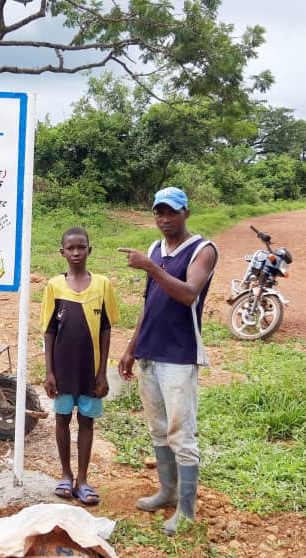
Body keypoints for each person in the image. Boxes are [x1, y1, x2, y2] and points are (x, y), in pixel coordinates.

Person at [117, 186, 218, 536]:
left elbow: (188, 294)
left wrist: (150, 267)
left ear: (186, 213)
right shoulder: (155, 249)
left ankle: (186, 510)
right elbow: (151, 302)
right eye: (159, 212)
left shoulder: (202, 250)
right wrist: (132, 347)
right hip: (150, 352)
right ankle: (167, 491)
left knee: (181, 432)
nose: (164, 219)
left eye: (172, 212)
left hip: (178, 354)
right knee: (159, 428)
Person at [41, 227, 120, 506]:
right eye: (70, 248)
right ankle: (65, 474)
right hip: (62, 371)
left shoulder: (102, 285)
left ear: (90, 249)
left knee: (87, 421)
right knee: (62, 419)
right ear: (62, 252)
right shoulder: (54, 286)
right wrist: (49, 371)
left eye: (81, 247)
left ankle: (83, 479)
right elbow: (49, 331)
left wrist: (102, 373)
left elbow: (106, 329)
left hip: (91, 370)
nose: (76, 253)